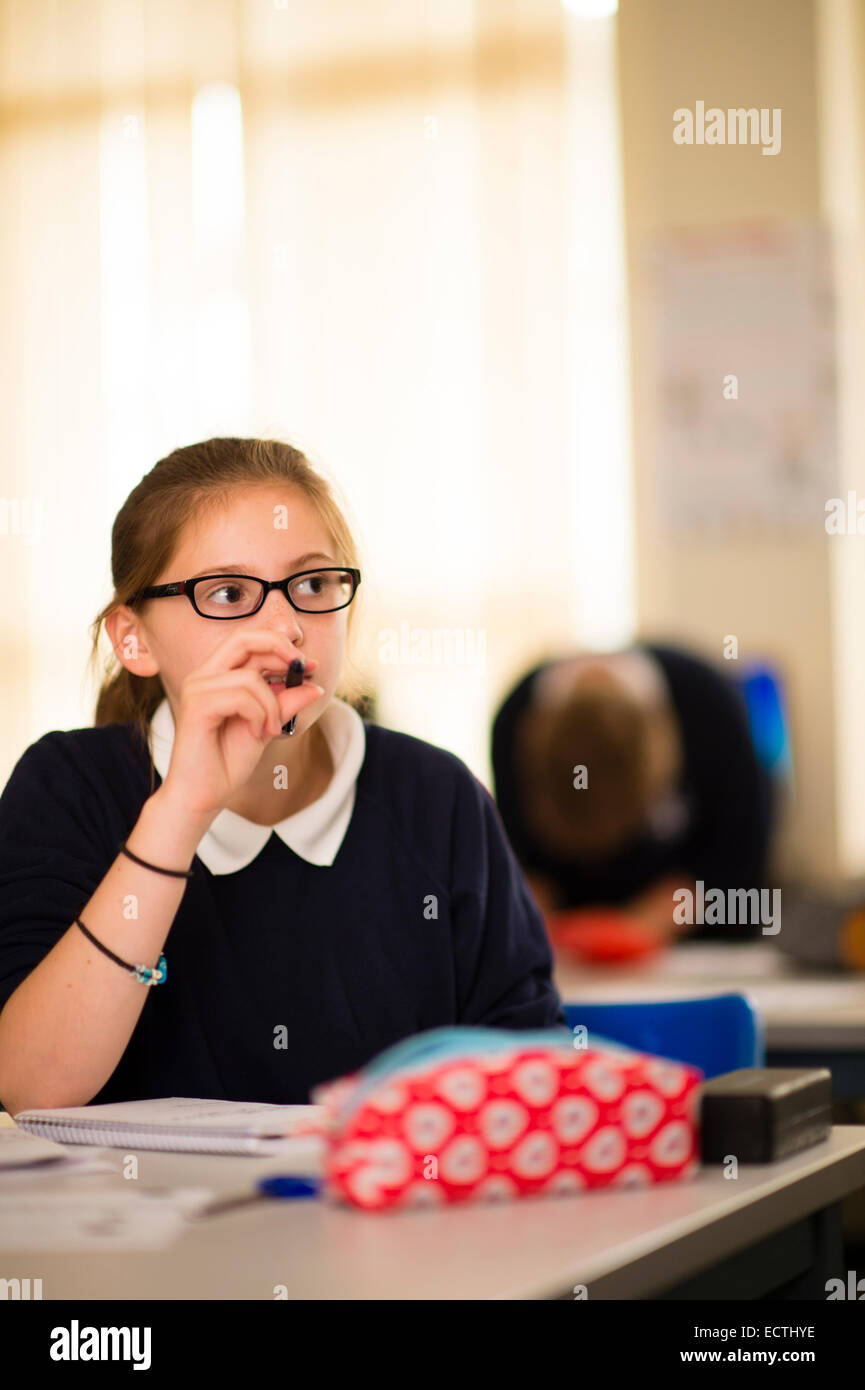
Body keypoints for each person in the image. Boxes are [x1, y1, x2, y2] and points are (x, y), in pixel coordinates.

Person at [0, 437, 563, 1114]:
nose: (285, 627)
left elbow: (532, 1085)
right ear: (134, 639)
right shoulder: (68, 787)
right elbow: (30, 1085)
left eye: (313, 585)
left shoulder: (437, 797)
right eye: (228, 593)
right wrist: (181, 810)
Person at [490, 644, 776, 943]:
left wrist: (638, 929)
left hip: (694, 943)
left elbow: (738, 863)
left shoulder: (713, 707)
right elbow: (522, 865)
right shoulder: (515, 722)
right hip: (568, 949)